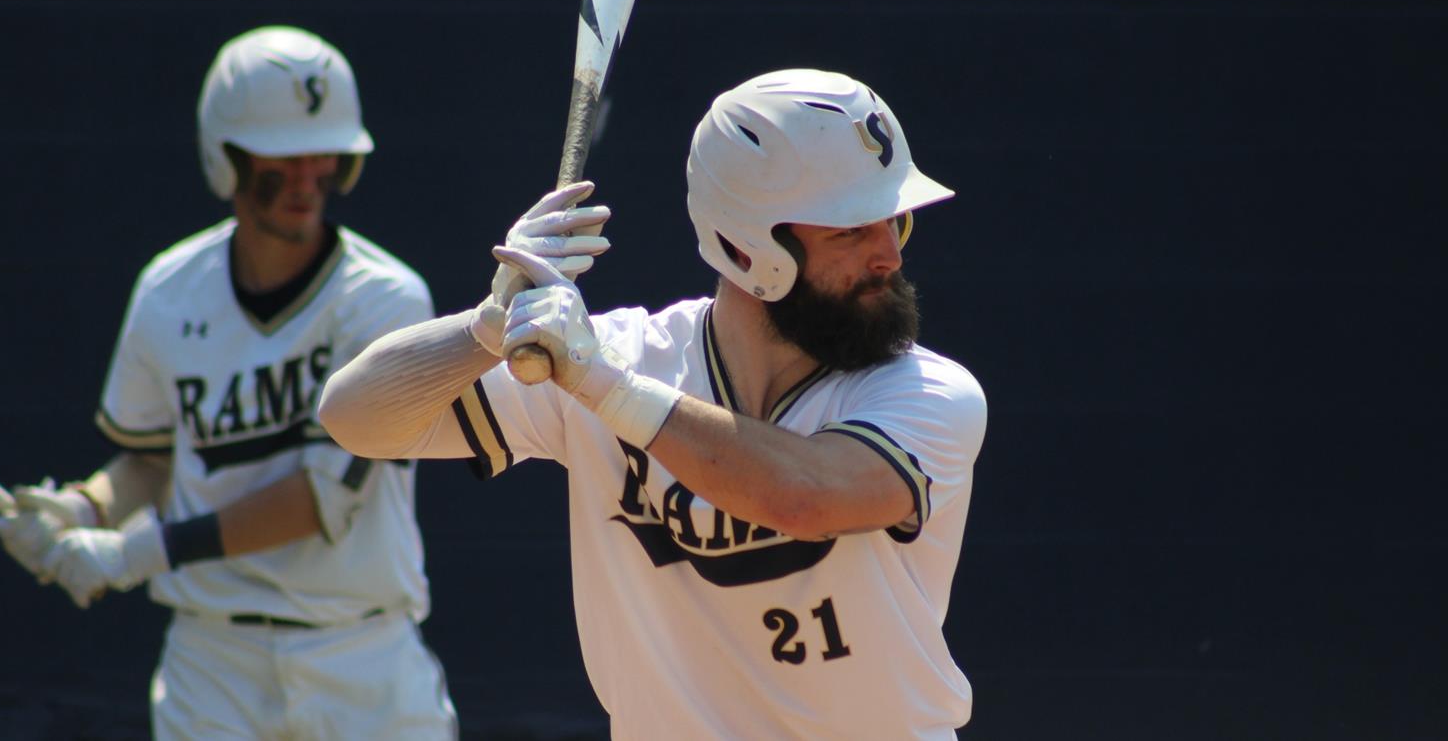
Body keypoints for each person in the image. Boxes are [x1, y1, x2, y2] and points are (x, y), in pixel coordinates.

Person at [319, 68, 986, 738]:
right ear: (747, 243)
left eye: (892, 222)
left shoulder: (929, 393)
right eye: (849, 231)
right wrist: (486, 327)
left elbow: (804, 498)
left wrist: (599, 382)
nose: (887, 257)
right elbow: (353, 418)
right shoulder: (617, 358)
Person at [0, 26, 459, 740]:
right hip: (212, 664)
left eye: (322, 152)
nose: (307, 178)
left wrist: (133, 554)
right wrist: (82, 511)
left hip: (360, 657)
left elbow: (322, 497)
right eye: (280, 157)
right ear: (227, 158)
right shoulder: (168, 290)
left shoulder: (387, 299)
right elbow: (149, 459)